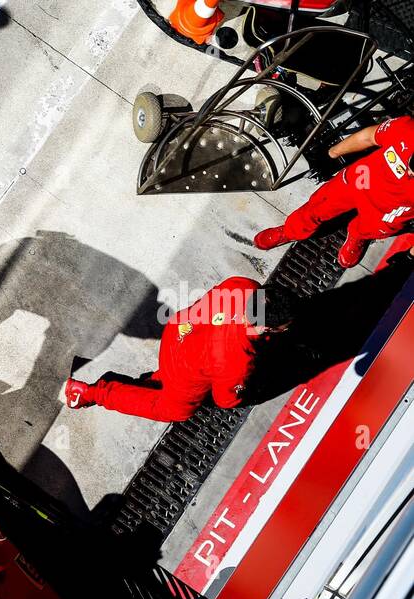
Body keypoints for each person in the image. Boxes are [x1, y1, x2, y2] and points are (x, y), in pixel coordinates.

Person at [62, 277, 291, 423]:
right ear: (265, 327)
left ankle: (149, 384)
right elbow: (225, 400)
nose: (287, 329)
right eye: (284, 328)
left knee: (168, 378)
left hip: (179, 331)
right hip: (184, 369)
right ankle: (90, 393)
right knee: (173, 411)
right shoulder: (238, 360)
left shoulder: (243, 285)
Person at [255, 115, 414, 268]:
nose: (409, 172)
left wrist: (410, 256)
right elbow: (369, 137)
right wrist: (335, 152)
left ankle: (358, 234)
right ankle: (290, 231)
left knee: (373, 227)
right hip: (361, 179)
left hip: (393, 208)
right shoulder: (406, 129)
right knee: (318, 206)